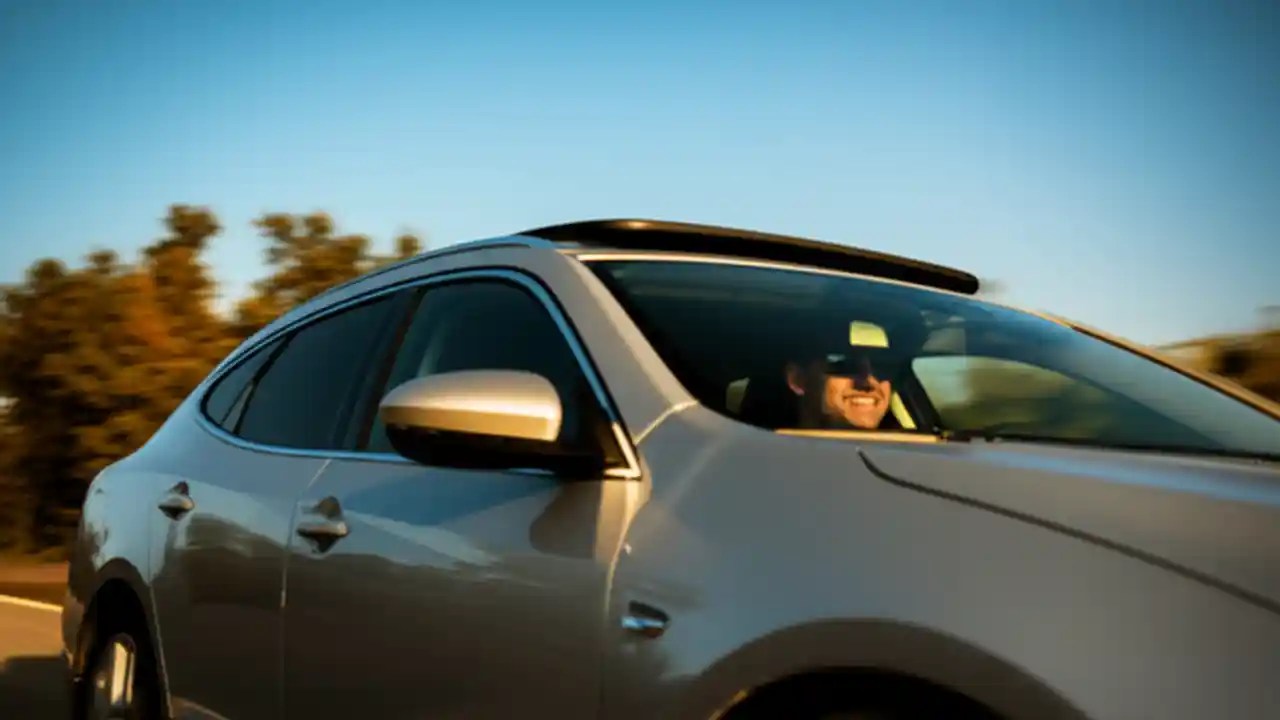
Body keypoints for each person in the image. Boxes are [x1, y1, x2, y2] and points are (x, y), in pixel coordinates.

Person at [784, 320, 904, 430]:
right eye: (845, 364)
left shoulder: (912, 450)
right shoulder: (771, 451)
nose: (867, 383)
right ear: (798, 378)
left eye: (883, 365)